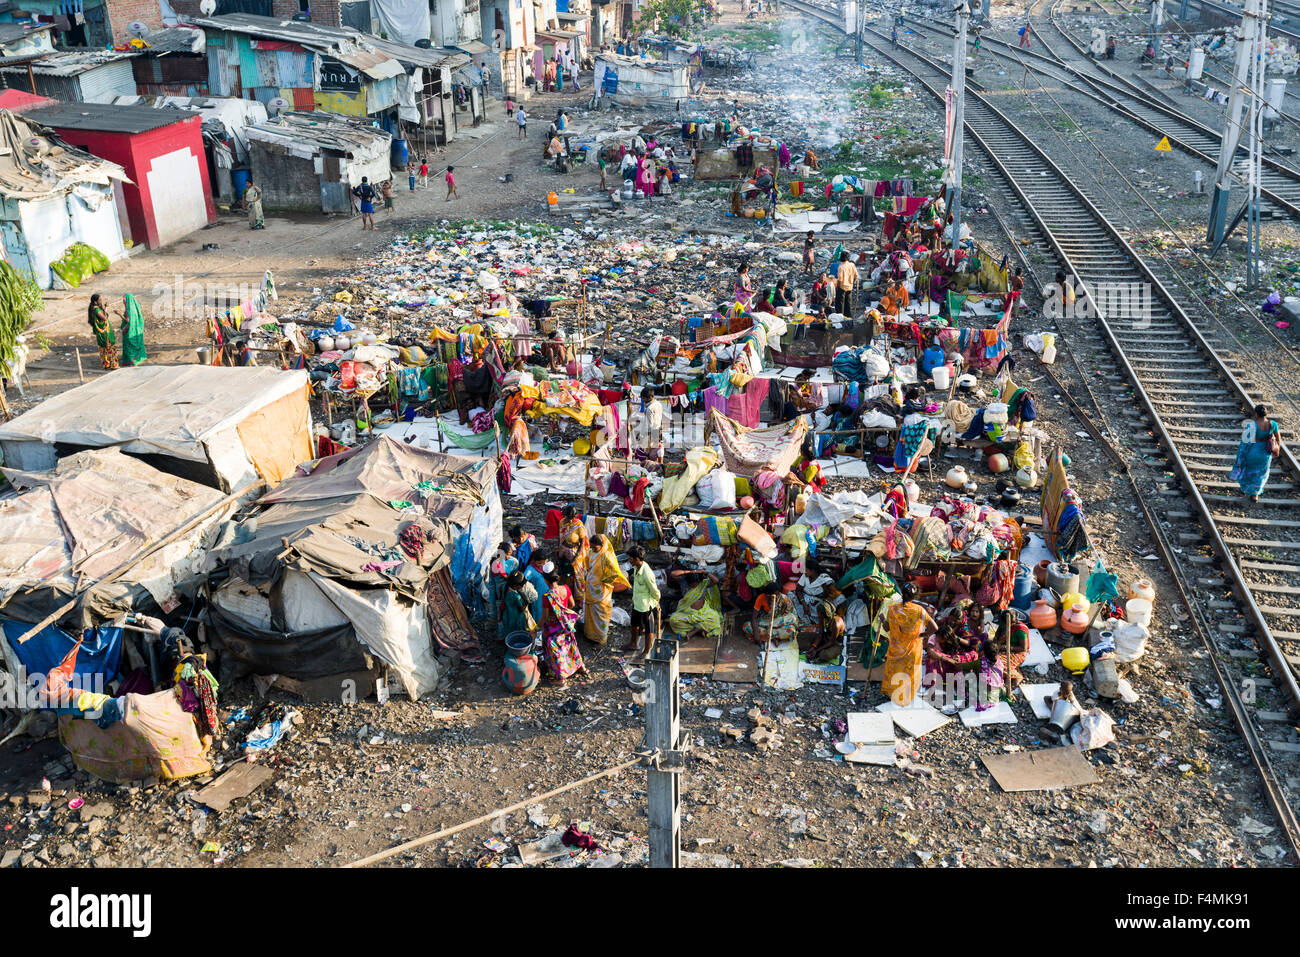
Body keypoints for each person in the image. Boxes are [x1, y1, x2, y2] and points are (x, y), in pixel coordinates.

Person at [882, 583, 938, 706]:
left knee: (895, 671)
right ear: (915, 596)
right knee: (910, 673)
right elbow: (935, 627)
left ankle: (893, 695)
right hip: (913, 648)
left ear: (902, 594)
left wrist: (882, 618)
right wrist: (923, 635)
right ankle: (906, 697)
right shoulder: (919, 611)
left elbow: (886, 628)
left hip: (896, 649)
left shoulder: (892, 609)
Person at [540, 566, 590, 685]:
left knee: (556, 651)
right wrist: (562, 613)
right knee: (571, 644)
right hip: (566, 625)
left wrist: (535, 628)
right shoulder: (566, 588)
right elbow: (572, 604)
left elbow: (545, 617)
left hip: (553, 628)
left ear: (545, 580)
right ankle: (581, 666)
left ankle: (561, 678)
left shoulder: (547, 596)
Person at [581, 533, 630, 645]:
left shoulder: (607, 557)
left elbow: (614, 573)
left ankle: (601, 640)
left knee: (601, 614)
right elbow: (588, 564)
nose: (592, 549)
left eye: (595, 547)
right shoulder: (592, 552)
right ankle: (590, 634)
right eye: (591, 547)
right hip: (591, 589)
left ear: (602, 545)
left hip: (602, 592)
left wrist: (604, 581)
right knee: (591, 612)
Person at [1231, 404, 1281, 502]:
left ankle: (1245, 489)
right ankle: (1255, 494)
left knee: (1248, 471)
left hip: (1253, 451)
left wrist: (1241, 455)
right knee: (1261, 473)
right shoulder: (1273, 424)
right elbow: (1278, 438)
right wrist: (1277, 449)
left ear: (1256, 414)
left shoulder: (1251, 425)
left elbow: (1245, 442)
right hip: (1265, 453)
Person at [622, 545, 660, 658]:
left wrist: (656, 602)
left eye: (631, 558)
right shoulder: (636, 567)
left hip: (646, 606)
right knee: (634, 625)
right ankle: (633, 644)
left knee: (649, 629)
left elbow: (655, 591)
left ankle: (647, 650)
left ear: (637, 559)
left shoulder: (647, 574)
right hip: (637, 602)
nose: (629, 560)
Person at [501, 569, 538, 640]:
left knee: (510, 631)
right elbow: (521, 608)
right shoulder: (516, 596)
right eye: (522, 585)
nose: (523, 586)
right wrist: (526, 602)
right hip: (517, 617)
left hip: (507, 614)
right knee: (519, 633)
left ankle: (509, 641)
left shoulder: (504, 586)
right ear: (515, 586)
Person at [86, 294, 118, 370]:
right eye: (99, 300)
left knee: (103, 348)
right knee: (109, 346)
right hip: (104, 332)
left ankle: (106, 364)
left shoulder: (96, 308)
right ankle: (114, 364)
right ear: (95, 302)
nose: (101, 301)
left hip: (102, 332)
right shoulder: (96, 310)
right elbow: (104, 318)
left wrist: (103, 308)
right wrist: (106, 308)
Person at [118, 292, 147, 366]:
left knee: (129, 345)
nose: (123, 302)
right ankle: (139, 357)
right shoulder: (134, 306)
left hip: (130, 331)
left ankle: (131, 361)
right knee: (137, 343)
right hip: (136, 329)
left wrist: (120, 315)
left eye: (124, 300)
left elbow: (128, 321)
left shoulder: (129, 310)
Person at [834, 249, 858, 316]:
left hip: (842, 287)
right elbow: (856, 276)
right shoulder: (852, 265)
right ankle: (848, 318)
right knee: (848, 304)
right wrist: (852, 282)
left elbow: (840, 280)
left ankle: (840, 317)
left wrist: (837, 287)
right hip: (850, 287)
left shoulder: (841, 267)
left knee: (840, 304)